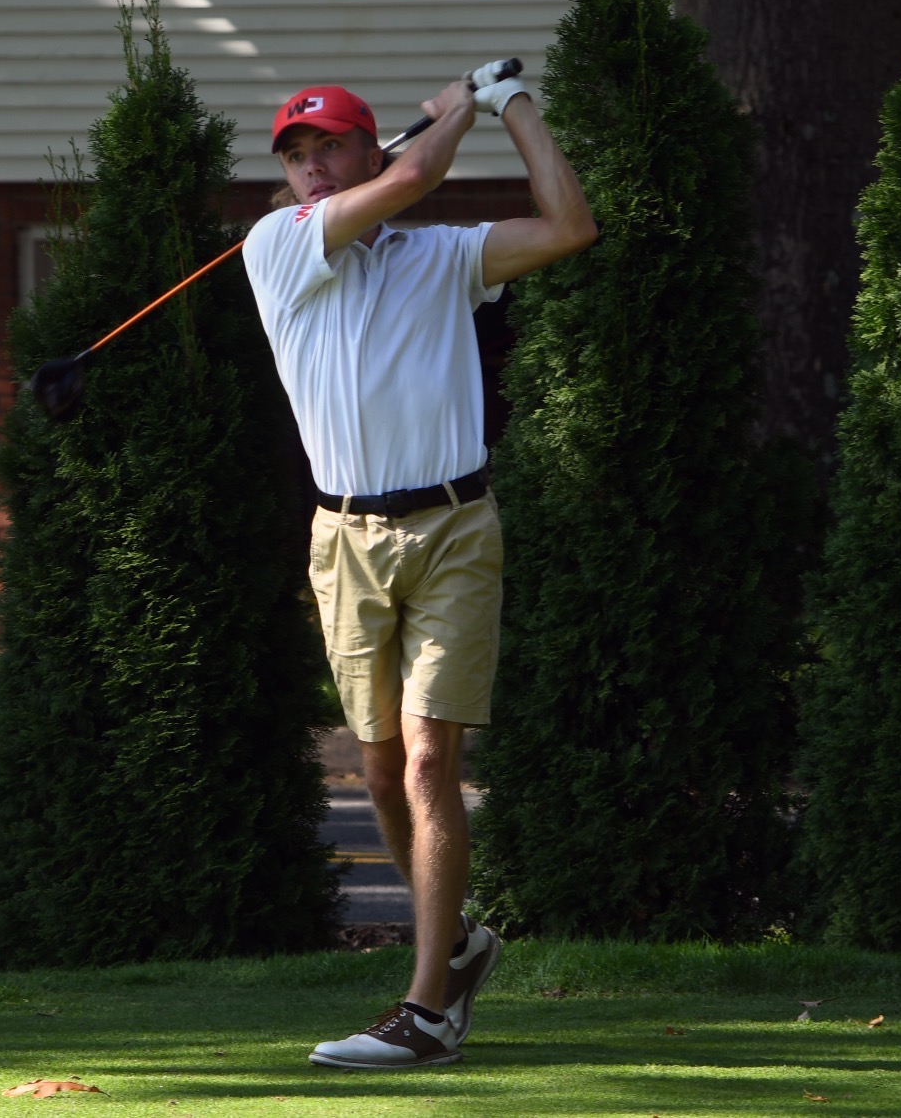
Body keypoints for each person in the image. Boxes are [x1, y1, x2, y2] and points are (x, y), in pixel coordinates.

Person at [244, 68, 597, 1068]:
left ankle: (426, 1008)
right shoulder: (276, 247)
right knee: (376, 769)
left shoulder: (442, 256)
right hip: (343, 540)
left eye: (327, 148)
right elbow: (403, 186)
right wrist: (456, 109)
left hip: (453, 527)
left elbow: (569, 225)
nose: (309, 165)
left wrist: (513, 104)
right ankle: (461, 945)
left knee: (428, 758)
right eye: (293, 154)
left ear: (365, 150)